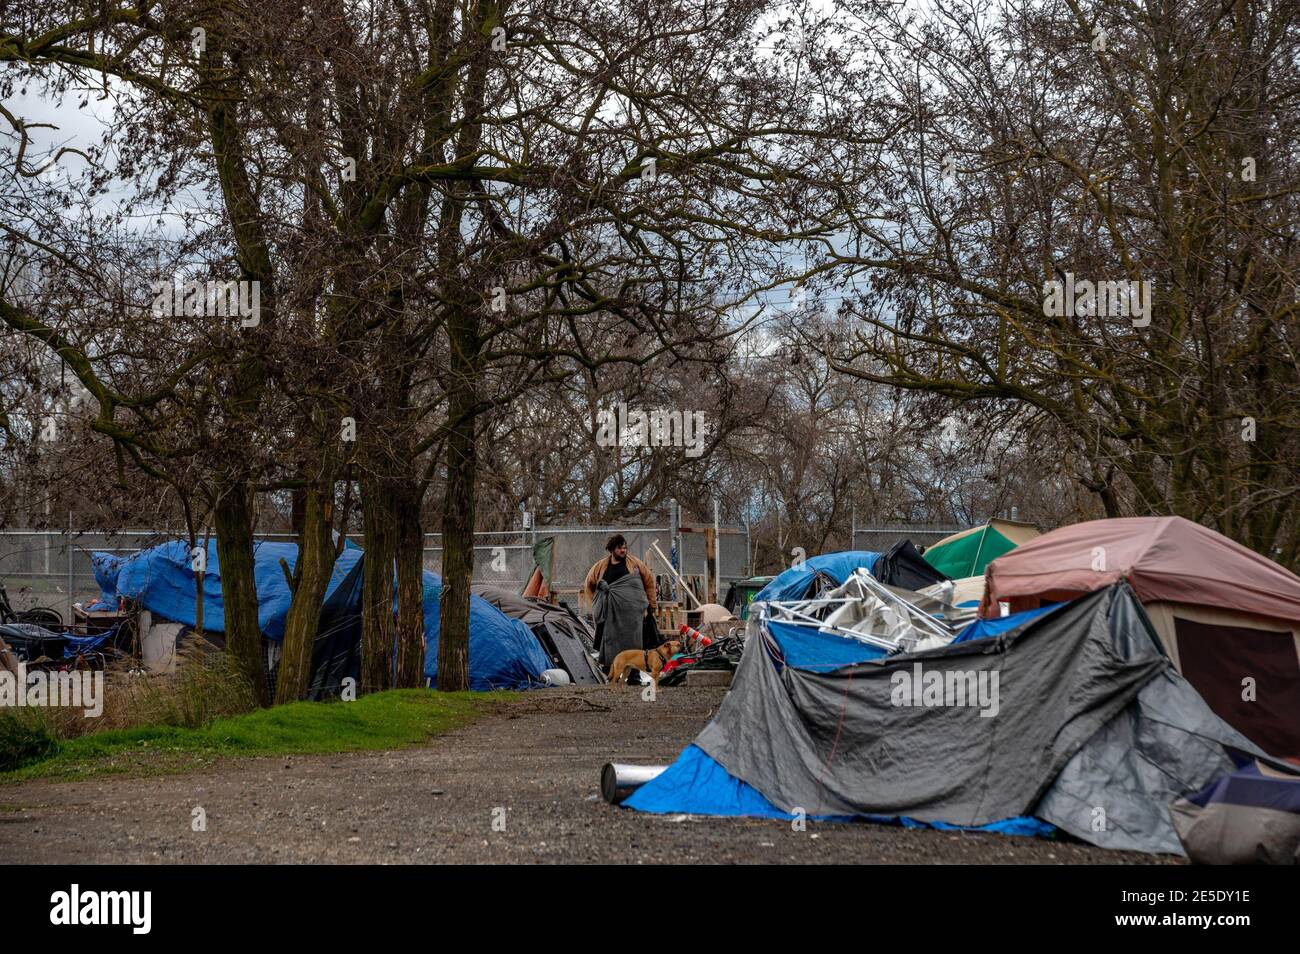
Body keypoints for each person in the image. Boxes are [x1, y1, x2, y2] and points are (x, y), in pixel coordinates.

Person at [583, 534, 658, 673]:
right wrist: (598, 603)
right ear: (612, 550)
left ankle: (634, 674)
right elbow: (590, 584)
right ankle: (610, 671)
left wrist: (651, 606)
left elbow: (648, 582)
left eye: (625, 547)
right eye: (619, 548)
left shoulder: (635, 564)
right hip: (611, 615)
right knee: (610, 642)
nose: (623, 551)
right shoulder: (600, 567)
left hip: (632, 615)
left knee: (634, 644)